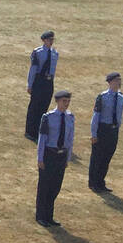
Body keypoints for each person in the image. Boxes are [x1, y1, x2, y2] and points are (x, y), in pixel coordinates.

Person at [36, 90, 74, 227]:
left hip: (61, 156)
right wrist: (40, 159)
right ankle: (41, 216)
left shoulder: (70, 118)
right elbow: (42, 140)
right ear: (57, 101)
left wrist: (67, 158)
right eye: (64, 101)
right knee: (44, 187)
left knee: (55, 187)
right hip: (49, 154)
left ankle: (49, 216)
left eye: (68, 101)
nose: (66, 104)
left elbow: (70, 139)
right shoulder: (48, 117)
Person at [88, 73, 123, 193]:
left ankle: (101, 182)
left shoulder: (121, 98)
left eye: (119, 80)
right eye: (116, 80)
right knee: (97, 157)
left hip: (113, 130)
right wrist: (94, 134)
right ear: (110, 82)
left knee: (107, 157)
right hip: (102, 129)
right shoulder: (102, 97)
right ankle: (93, 182)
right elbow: (96, 116)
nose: (118, 83)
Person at [25, 30, 58, 141]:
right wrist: (30, 84)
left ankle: (39, 130)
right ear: (44, 40)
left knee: (44, 106)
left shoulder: (55, 53)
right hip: (39, 81)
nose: (51, 42)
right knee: (34, 107)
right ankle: (30, 131)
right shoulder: (37, 52)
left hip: (48, 82)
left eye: (52, 40)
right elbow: (33, 69)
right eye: (49, 40)